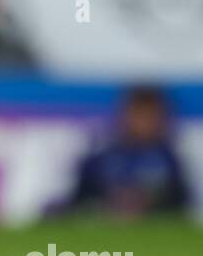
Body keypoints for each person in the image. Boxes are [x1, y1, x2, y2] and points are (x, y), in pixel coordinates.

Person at [61, 86, 189, 218]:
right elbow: (79, 203)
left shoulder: (169, 162)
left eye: (150, 116)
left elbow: (181, 207)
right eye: (138, 115)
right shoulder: (101, 160)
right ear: (125, 116)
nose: (144, 123)